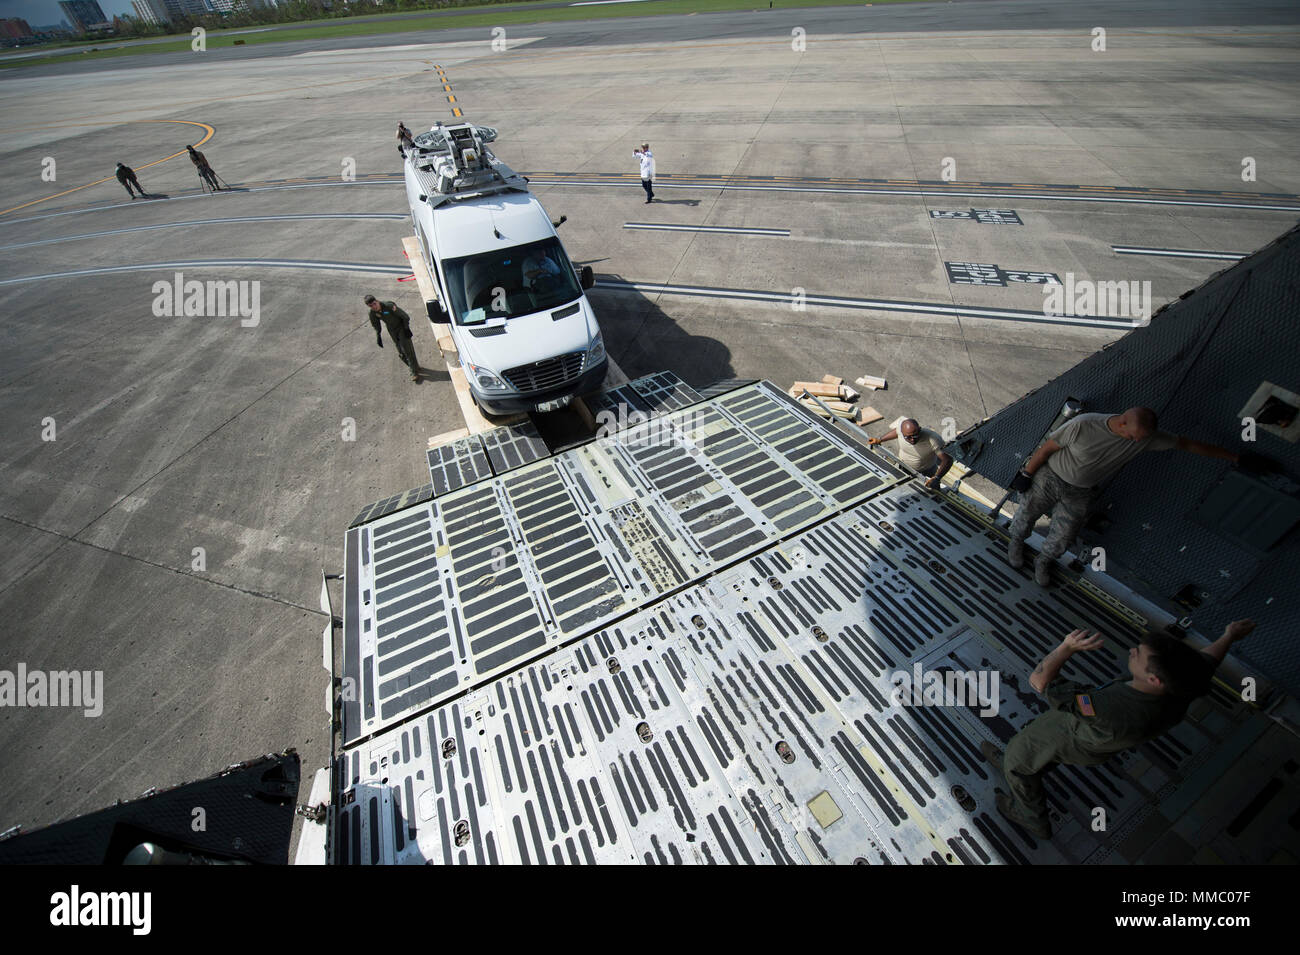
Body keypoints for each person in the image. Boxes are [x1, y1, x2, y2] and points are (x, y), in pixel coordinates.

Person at [982, 619, 1255, 839]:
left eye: (1139, 654)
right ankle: (1023, 764)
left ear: (1153, 679)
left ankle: (1031, 817)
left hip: (1075, 736)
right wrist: (1228, 635)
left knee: (1020, 760)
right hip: (1104, 740)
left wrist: (1067, 647)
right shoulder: (1184, 682)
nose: (1132, 651)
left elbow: (1039, 682)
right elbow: (1207, 661)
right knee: (1038, 754)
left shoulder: (1106, 707)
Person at [1007, 407, 1243, 586]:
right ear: (1122, 422)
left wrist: (1235, 458)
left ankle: (1044, 560)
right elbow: (1048, 448)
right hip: (1051, 476)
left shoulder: (1145, 437)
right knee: (1028, 513)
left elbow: (1188, 445)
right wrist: (1027, 474)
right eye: (1133, 437)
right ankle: (1016, 542)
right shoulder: (1084, 425)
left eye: (1142, 439)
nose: (1138, 443)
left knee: (1065, 534)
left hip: (1081, 490)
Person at [868, 417, 953, 489]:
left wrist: (937, 478)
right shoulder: (901, 431)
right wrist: (880, 439)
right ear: (902, 433)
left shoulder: (933, 439)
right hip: (902, 466)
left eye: (915, 435)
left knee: (928, 492)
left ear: (920, 429)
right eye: (908, 437)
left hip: (926, 472)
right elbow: (896, 432)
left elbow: (947, 460)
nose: (912, 439)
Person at [365, 295, 420, 382]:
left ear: (377, 301)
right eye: (371, 306)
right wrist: (378, 335)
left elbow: (405, 316)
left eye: (374, 304)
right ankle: (415, 366)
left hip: (401, 327)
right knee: (401, 352)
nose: (374, 307)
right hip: (392, 331)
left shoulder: (389, 306)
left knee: (407, 349)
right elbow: (376, 324)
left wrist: (406, 328)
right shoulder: (373, 313)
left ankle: (414, 372)